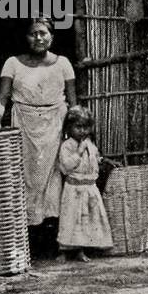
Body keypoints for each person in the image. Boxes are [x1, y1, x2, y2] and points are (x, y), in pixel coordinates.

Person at [0, 18, 78, 240]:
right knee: (24, 176)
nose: (38, 38)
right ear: (25, 38)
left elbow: (73, 102)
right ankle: (26, 236)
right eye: (33, 34)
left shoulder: (63, 63)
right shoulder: (13, 63)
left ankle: (54, 236)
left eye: (43, 33)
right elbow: (3, 98)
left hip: (55, 125)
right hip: (24, 125)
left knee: (54, 176)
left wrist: (75, 131)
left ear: (51, 36)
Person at [56, 106, 114, 261]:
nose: (82, 131)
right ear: (70, 127)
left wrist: (102, 161)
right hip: (74, 188)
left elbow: (94, 159)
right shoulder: (67, 146)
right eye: (78, 127)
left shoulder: (90, 144)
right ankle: (64, 250)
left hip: (89, 187)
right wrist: (79, 153)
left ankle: (81, 250)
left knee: (86, 219)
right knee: (70, 219)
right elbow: (65, 167)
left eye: (85, 127)